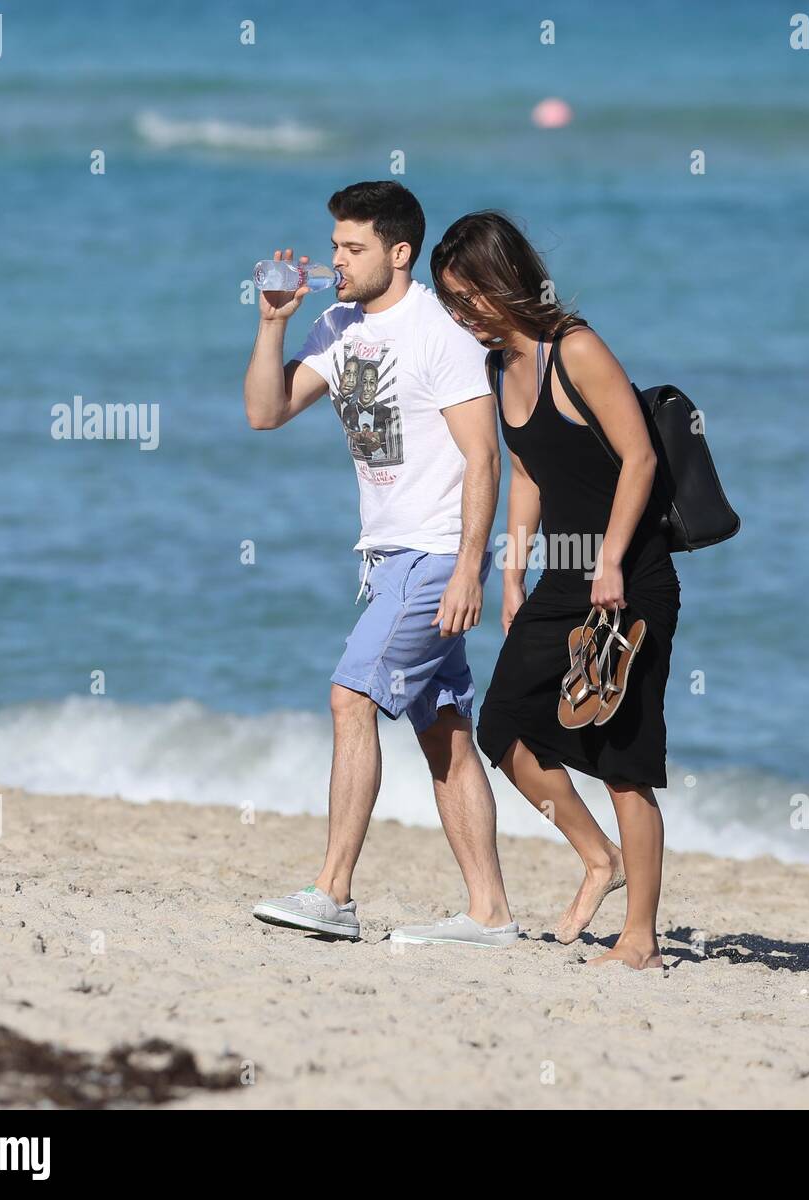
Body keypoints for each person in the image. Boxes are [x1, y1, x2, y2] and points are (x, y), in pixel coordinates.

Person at [243, 181, 519, 949]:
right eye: (334, 246)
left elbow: (482, 457)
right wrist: (273, 325)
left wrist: (471, 567)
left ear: (399, 253)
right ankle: (491, 912)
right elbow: (265, 411)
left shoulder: (442, 332)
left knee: (349, 697)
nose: (337, 262)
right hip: (387, 555)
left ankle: (333, 894)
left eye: (353, 248)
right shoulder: (335, 326)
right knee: (445, 734)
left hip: (433, 554)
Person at [431, 211, 680, 970]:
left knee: (622, 758)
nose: (461, 313)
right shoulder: (496, 368)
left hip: (629, 579)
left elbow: (638, 459)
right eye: (449, 300)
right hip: (560, 580)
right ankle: (597, 857)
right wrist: (511, 570)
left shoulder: (577, 348)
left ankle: (639, 938)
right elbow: (531, 470)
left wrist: (609, 560)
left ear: (503, 280)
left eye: (467, 295)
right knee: (504, 727)